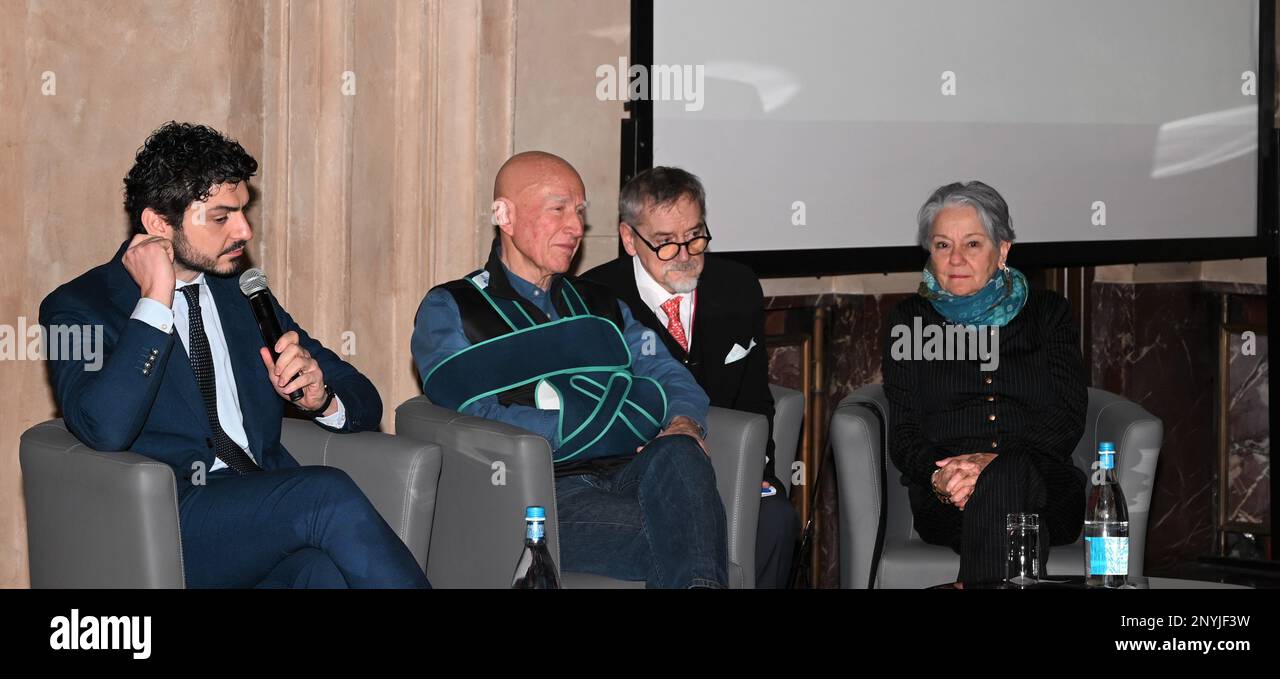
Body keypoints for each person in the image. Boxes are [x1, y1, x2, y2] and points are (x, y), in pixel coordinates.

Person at [39, 122, 430, 588]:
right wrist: (155, 302)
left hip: (261, 508)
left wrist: (322, 399)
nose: (244, 230)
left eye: (243, 212)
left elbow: (365, 399)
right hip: (169, 520)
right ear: (159, 224)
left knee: (324, 574)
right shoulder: (78, 306)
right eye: (222, 217)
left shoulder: (242, 296)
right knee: (325, 491)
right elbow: (103, 427)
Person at [412, 151, 729, 588]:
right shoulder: (454, 307)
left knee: (681, 451)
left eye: (580, 211)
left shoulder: (600, 304)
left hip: (631, 469)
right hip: (540, 493)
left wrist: (681, 419)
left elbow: (667, 373)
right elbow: (475, 416)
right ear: (504, 215)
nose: (576, 227)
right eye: (558, 209)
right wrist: (600, 424)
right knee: (689, 532)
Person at [583, 166, 799, 589]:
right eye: (665, 243)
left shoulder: (736, 286)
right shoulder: (597, 299)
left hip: (728, 459)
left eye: (696, 236)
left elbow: (755, 399)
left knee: (773, 517)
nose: (685, 254)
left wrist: (759, 467)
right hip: (644, 468)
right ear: (629, 239)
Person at [882, 180, 1087, 585]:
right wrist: (938, 475)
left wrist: (995, 466)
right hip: (949, 497)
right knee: (1009, 507)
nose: (956, 258)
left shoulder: (1048, 313)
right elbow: (904, 432)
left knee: (1007, 481)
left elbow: (1068, 415)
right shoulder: (909, 321)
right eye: (942, 245)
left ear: (1003, 250)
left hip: (1047, 487)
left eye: (972, 244)